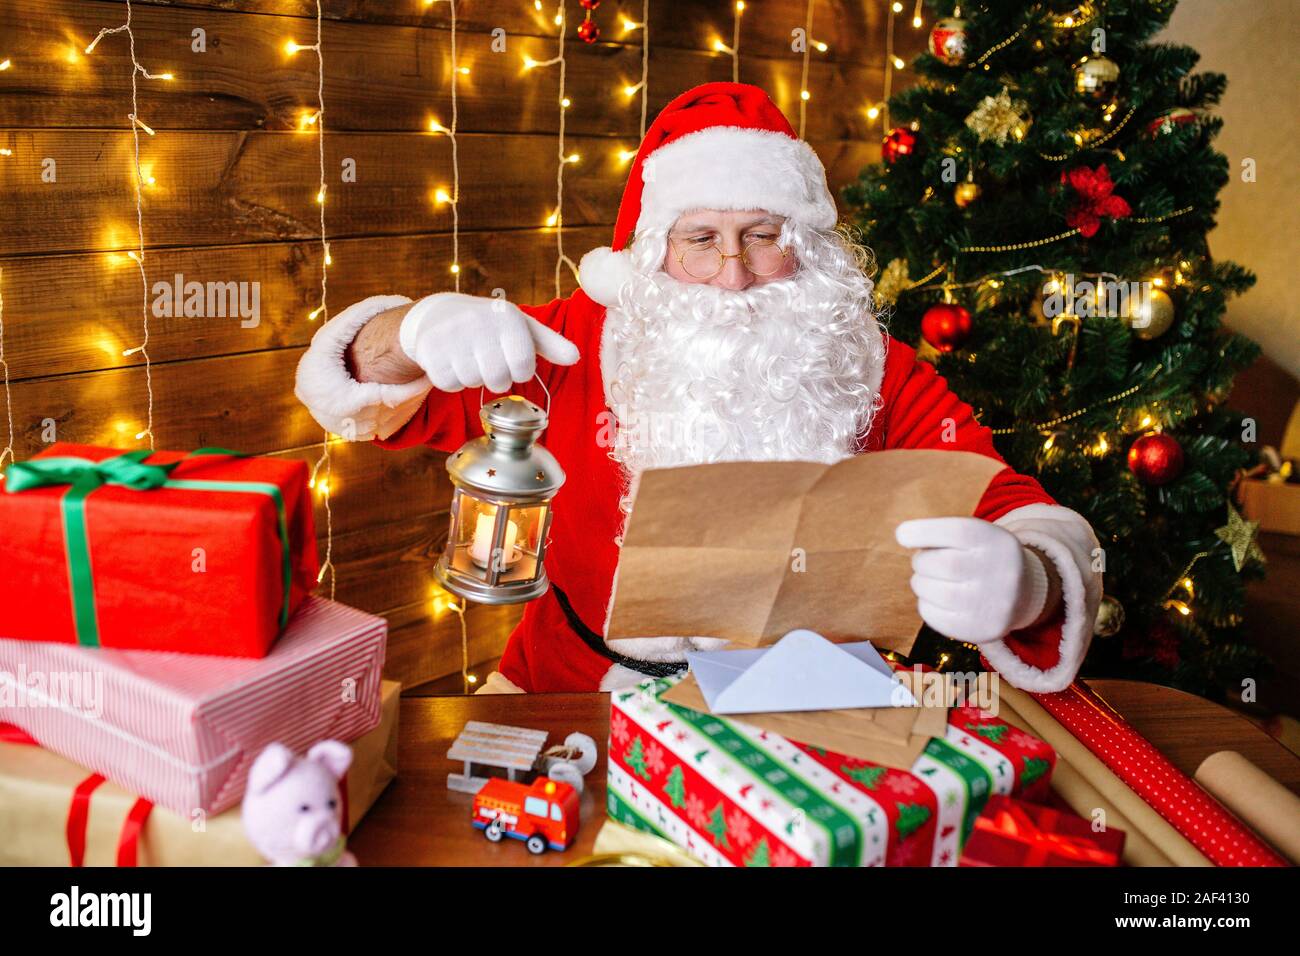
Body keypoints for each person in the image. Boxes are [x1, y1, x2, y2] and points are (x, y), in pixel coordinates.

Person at [295, 82, 1102, 694]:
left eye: (762, 237)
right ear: (654, 246)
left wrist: (1031, 580)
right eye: (700, 239)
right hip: (571, 689)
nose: (732, 275)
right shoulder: (568, 345)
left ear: (805, 244)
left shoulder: (866, 365)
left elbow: (1011, 501)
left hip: (796, 700)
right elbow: (371, 396)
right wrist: (407, 334)